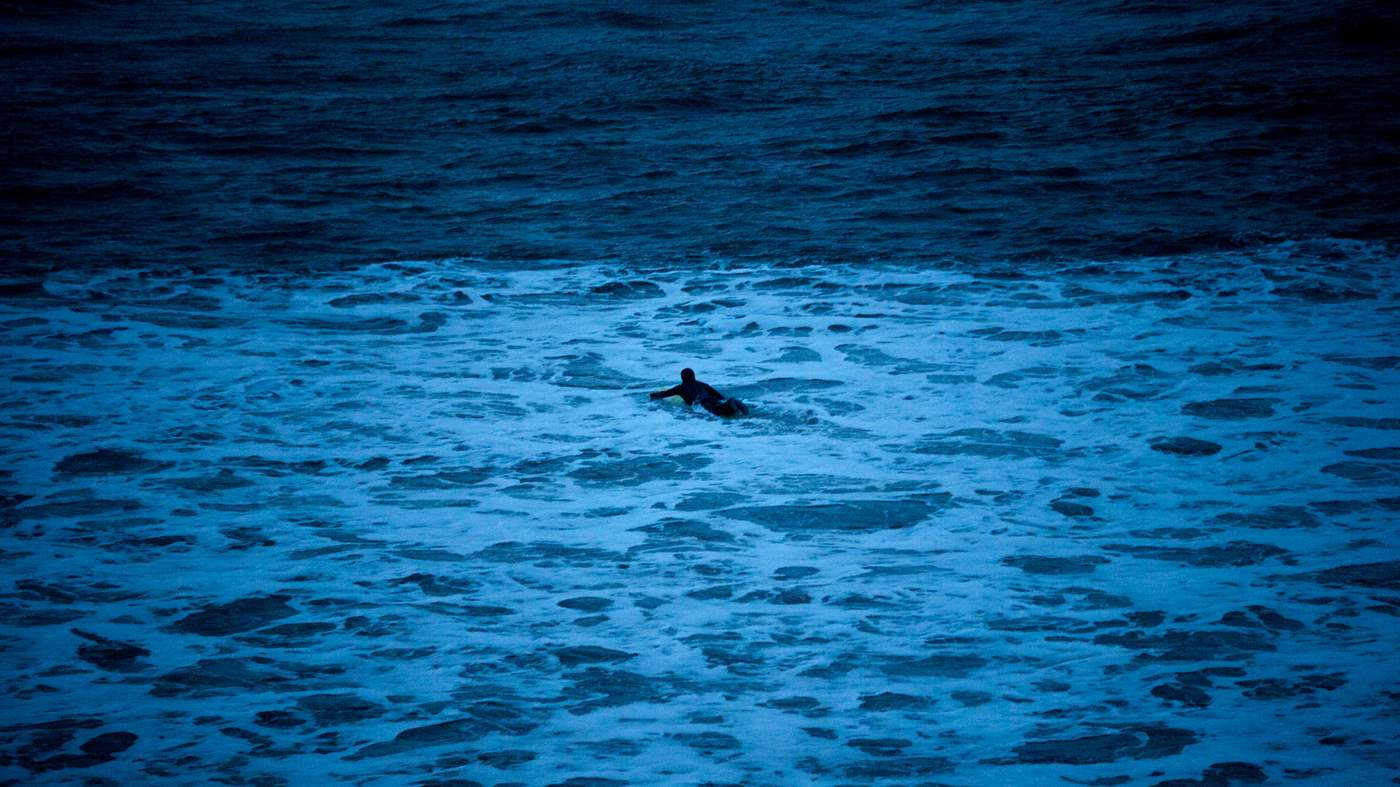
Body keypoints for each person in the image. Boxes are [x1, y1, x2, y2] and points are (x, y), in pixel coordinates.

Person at [649, 368, 749, 417]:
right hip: (710, 398)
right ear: (694, 376)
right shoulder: (703, 385)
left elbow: (662, 394)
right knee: (722, 406)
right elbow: (720, 397)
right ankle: (734, 405)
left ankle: (732, 406)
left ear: (682, 378)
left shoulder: (680, 388)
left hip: (701, 403)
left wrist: (652, 395)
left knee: (718, 413)